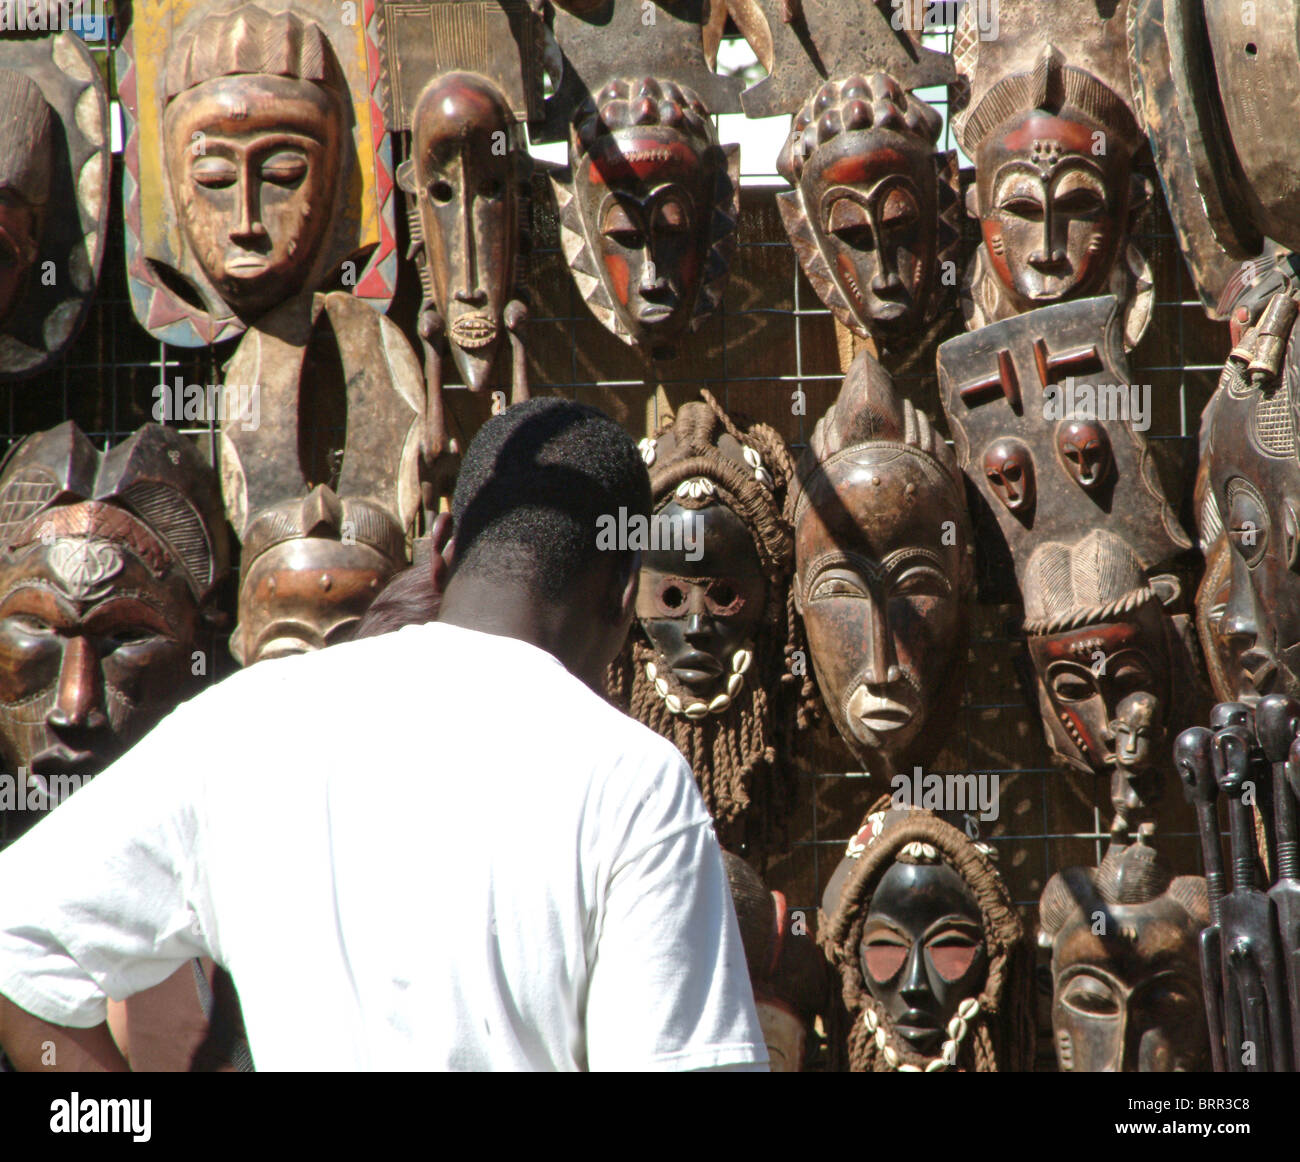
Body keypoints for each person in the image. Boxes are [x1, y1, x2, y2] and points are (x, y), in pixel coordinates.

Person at [0, 399, 769, 1071]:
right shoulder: (632, 780)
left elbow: (16, 945)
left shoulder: (245, 725)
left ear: (438, 549)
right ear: (626, 595)